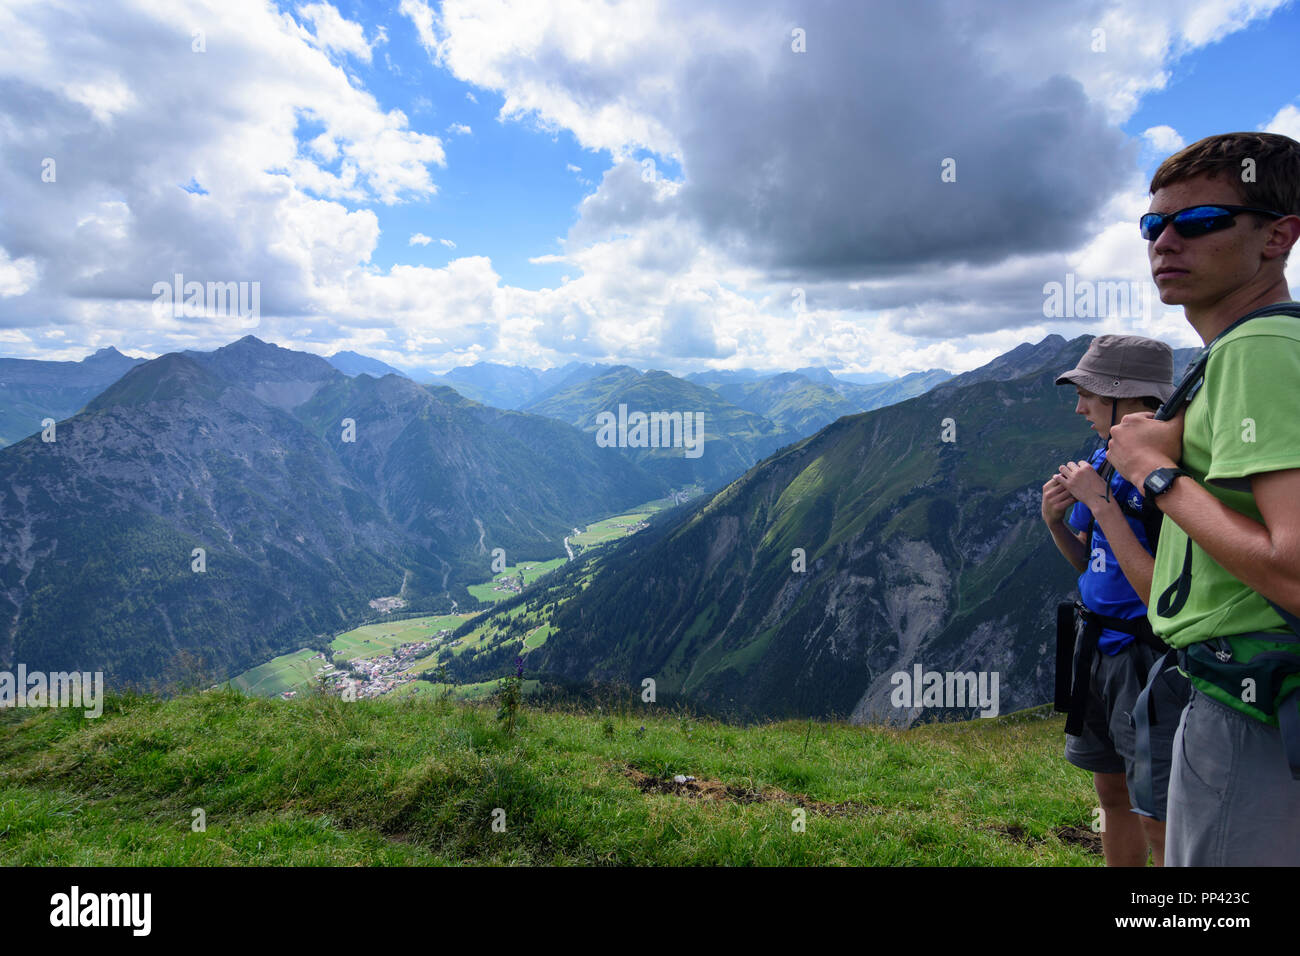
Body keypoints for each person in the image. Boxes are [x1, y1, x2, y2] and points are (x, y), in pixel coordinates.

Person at [1105, 131, 1300, 865]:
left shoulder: (1258, 350)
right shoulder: (1245, 351)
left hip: (1254, 705)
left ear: (1279, 236)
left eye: (1202, 220)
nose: (1166, 241)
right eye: (1153, 226)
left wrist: (1156, 477)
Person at [1042, 334, 1188, 866]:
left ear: (1129, 399)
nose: (1080, 407)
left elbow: (1164, 596)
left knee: (1158, 809)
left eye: (1091, 395)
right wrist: (1054, 521)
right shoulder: (1103, 461)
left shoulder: (1169, 474)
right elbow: (1090, 564)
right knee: (1112, 796)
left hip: (1147, 659)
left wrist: (1103, 506)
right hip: (1094, 644)